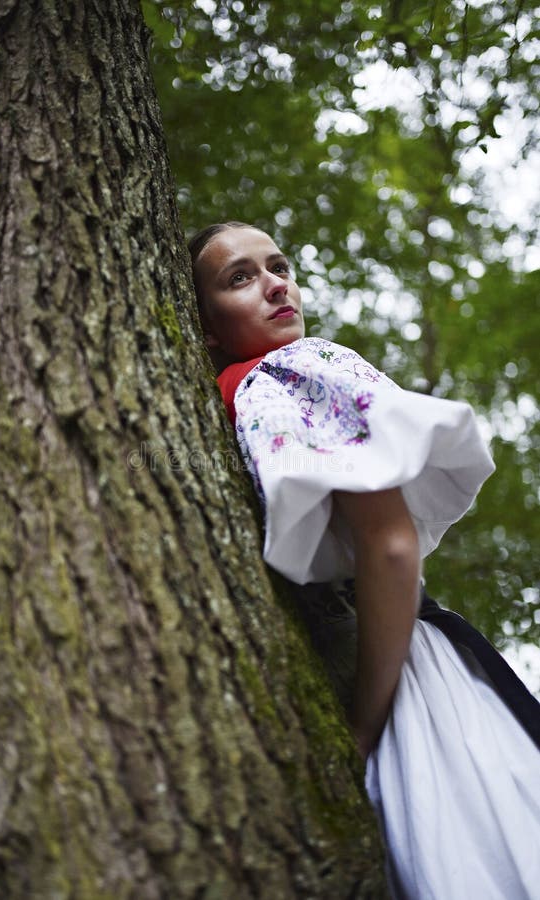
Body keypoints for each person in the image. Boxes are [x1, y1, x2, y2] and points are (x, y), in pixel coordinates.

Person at [189, 221, 540, 900]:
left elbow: (390, 544)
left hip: (403, 682)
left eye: (277, 265)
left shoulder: (293, 367)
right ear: (203, 326)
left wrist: (361, 728)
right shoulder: (252, 388)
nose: (274, 284)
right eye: (239, 277)